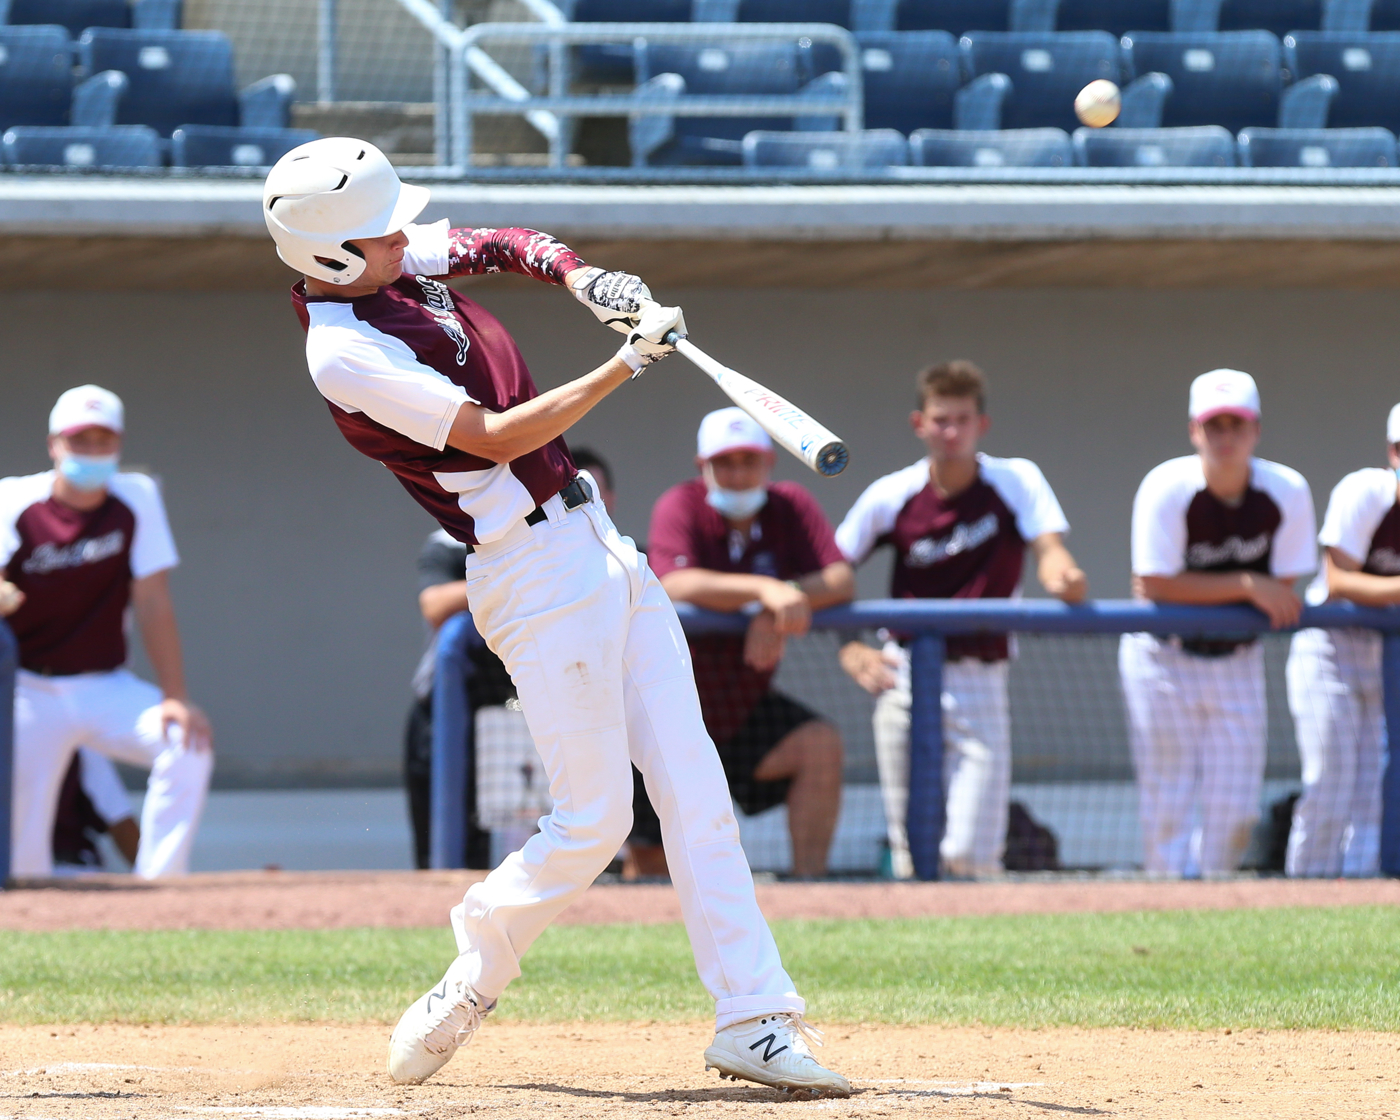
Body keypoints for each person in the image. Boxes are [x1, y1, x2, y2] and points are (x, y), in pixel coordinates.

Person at [262, 138, 849, 1096]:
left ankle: (754, 1018)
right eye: (382, 228)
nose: (404, 235)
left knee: (697, 793)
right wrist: (627, 363)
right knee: (595, 820)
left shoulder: (388, 258)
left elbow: (502, 242)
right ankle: (473, 971)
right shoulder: (346, 353)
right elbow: (496, 437)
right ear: (329, 254)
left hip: (601, 545)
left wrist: (584, 277)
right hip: (531, 571)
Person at [835, 361, 1086, 880]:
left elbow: (1051, 550)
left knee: (972, 851)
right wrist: (849, 646)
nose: (951, 431)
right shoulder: (894, 493)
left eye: (962, 419)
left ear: (981, 425)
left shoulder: (1015, 479)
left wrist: (1064, 575)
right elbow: (830, 572)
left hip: (981, 675)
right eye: (940, 419)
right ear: (919, 424)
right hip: (903, 674)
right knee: (911, 849)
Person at [0, 384, 213, 880]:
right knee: (22, 865)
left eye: (102, 440)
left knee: (185, 741)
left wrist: (175, 695)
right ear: (54, 444)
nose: (91, 451)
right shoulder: (14, 498)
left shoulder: (136, 496)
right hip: (29, 690)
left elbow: (154, 600)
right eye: (79, 440)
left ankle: (162, 891)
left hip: (104, 683)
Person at [638, 408, 854, 879]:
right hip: (670, 708)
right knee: (653, 867)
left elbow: (840, 577)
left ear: (769, 463)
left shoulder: (791, 505)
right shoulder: (681, 504)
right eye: (725, 463)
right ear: (703, 466)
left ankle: (810, 895)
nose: (738, 475)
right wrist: (763, 591)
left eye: (748, 461)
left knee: (819, 745)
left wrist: (779, 603)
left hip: (742, 707)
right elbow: (674, 581)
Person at [1120, 369, 1315, 877]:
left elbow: (1287, 589)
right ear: (1194, 431)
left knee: (1237, 812)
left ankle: (1215, 904)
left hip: (1236, 657)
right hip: (1163, 656)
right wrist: (1248, 585)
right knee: (1167, 807)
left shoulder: (1285, 489)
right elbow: (1155, 584)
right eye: (1214, 426)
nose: (1225, 437)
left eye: (1237, 424)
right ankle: (1166, 914)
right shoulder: (1167, 486)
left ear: (1256, 430)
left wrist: (1229, 589)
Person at [405, 449, 616, 871]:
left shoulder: (606, 546)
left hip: (554, 710)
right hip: (458, 714)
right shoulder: (456, 537)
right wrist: (525, 574)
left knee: (576, 837)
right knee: (455, 854)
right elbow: (434, 603)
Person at [1283, 405, 1400, 878]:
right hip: (1329, 649)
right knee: (1329, 785)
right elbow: (1338, 580)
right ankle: (1304, 896)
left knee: (1376, 793)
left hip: (1386, 654)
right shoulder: (1365, 491)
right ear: (1394, 453)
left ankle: (1361, 899)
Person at [51, 748, 141, 872]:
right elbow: (121, 823)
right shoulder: (78, 741)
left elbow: (120, 823)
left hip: (69, 869)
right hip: (47, 870)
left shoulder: (78, 744)